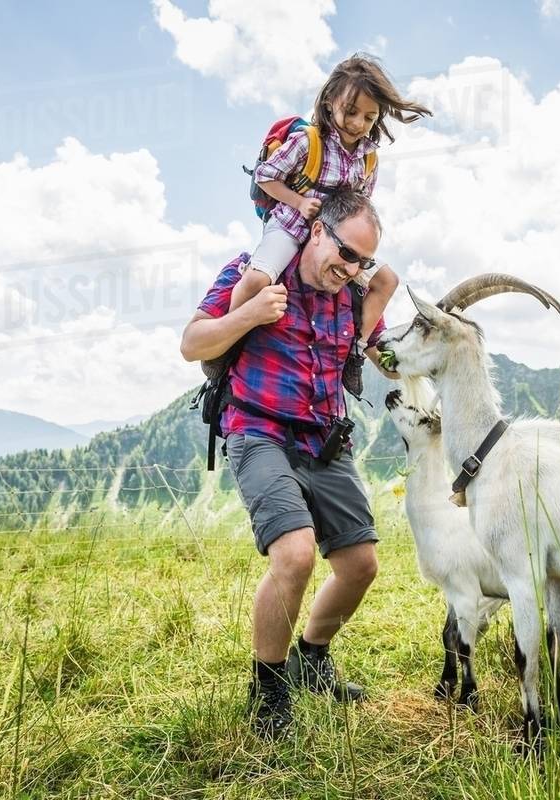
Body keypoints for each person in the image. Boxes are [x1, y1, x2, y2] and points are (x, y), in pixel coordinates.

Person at [180, 190, 396, 739]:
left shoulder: (351, 296)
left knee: (360, 565)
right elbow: (192, 343)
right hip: (257, 431)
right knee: (295, 554)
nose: (349, 269)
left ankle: (311, 659)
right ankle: (269, 688)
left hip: (325, 439)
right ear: (318, 230)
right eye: (345, 253)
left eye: (362, 263)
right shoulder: (254, 272)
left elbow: (387, 359)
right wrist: (251, 313)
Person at [219, 53, 430, 396]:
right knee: (256, 278)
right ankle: (227, 342)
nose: (358, 123)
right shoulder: (308, 142)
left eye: (369, 117)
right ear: (331, 101)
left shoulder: (368, 157)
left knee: (387, 280)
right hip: (291, 225)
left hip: (335, 241)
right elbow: (266, 175)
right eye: (351, 111)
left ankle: (354, 352)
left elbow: (361, 206)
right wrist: (299, 202)